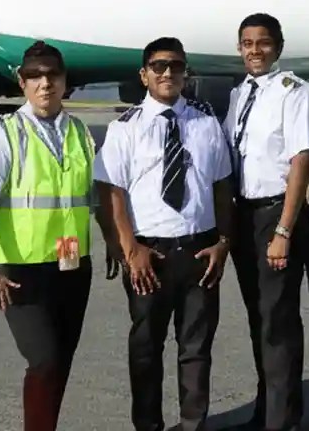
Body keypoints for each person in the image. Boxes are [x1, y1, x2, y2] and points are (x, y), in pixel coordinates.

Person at [94, 37, 234, 431]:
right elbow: (111, 194)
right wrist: (128, 250)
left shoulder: (206, 124)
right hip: (147, 255)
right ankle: (148, 426)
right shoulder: (124, 129)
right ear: (144, 75)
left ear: (186, 72)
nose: (168, 73)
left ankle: (194, 424)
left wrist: (224, 242)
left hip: (199, 252)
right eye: (158, 66)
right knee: (145, 349)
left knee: (196, 350)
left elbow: (222, 186)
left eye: (175, 66)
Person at [0, 41, 97, 431]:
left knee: (61, 361)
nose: (45, 84)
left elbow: (95, 196)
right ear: (21, 82)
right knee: (43, 359)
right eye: (35, 77)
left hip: (73, 265)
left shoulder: (80, 132)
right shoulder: (4, 135)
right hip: (19, 268)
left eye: (53, 76)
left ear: (64, 81)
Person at [222, 12, 309, 431]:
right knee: (258, 317)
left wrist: (283, 229)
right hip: (243, 216)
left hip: (274, 217)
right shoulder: (238, 94)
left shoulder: (293, 92)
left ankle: (283, 420)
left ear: (277, 47)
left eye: (263, 42)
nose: (254, 50)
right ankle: (267, 412)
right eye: (247, 43)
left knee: (278, 320)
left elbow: (302, 159)